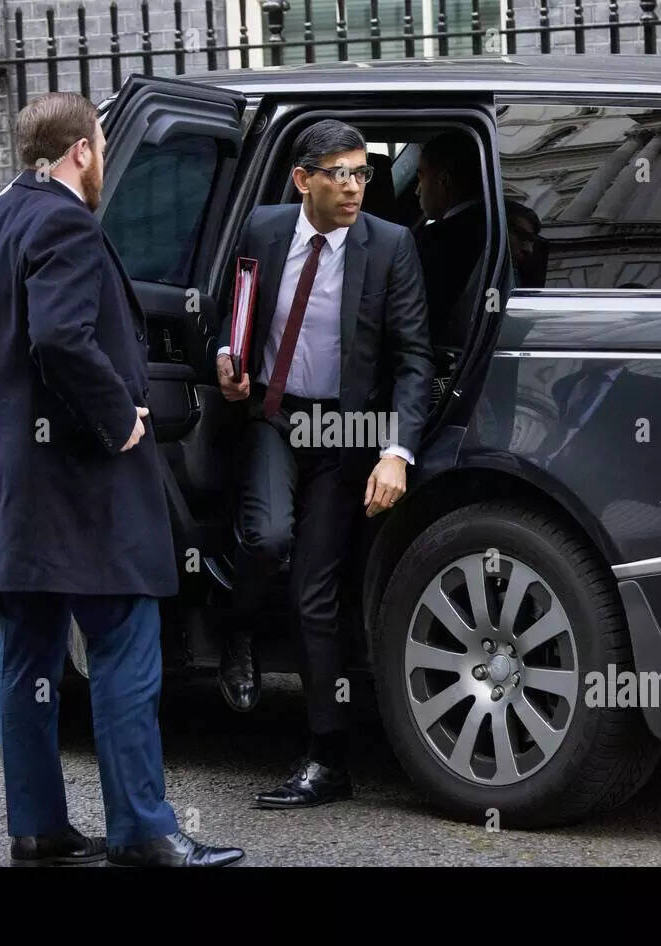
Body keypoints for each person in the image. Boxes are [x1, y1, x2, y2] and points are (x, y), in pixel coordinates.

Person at [0, 91, 242, 867]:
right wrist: (122, 417)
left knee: (26, 650)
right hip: (76, 479)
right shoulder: (64, 222)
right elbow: (61, 339)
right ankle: (142, 829)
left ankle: (36, 827)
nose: (102, 161)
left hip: (4, 481)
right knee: (126, 638)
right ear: (80, 151)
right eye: (101, 146)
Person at [215, 119, 434, 808]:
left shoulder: (391, 246)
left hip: (346, 434)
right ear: (302, 179)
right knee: (265, 538)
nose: (353, 186)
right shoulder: (263, 228)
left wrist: (396, 451)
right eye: (338, 172)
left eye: (363, 172)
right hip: (275, 417)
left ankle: (327, 758)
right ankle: (237, 627)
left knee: (316, 590)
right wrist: (228, 359)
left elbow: (414, 360)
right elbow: (236, 316)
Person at [413, 131, 488, 337]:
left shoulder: (434, 241)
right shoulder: (493, 227)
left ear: (443, 180)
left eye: (421, 178)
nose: (417, 191)